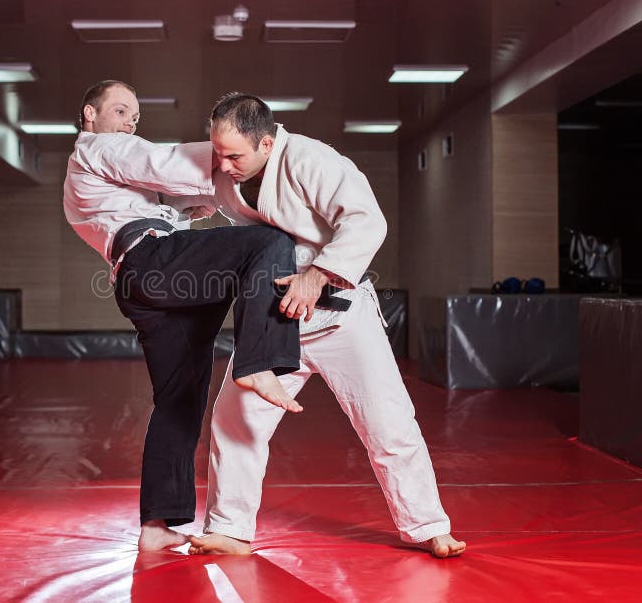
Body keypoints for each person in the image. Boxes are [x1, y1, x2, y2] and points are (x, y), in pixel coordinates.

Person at [188, 93, 466, 558]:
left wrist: (317, 275)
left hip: (340, 317)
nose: (224, 164)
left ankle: (428, 527)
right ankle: (231, 529)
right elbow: (186, 197)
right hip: (274, 319)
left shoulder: (312, 161)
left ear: (268, 143)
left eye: (234, 155)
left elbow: (366, 221)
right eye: (217, 153)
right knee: (234, 420)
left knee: (388, 422)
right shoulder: (223, 170)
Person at [63, 81, 303, 552]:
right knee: (272, 244)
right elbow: (157, 162)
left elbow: (134, 214)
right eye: (120, 109)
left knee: (179, 400)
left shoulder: (88, 179)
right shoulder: (96, 149)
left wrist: (182, 211)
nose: (131, 119)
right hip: (154, 265)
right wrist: (241, 146)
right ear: (89, 113)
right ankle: (260, 361)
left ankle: (157, 525)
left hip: (144, 284)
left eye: (135, 113)